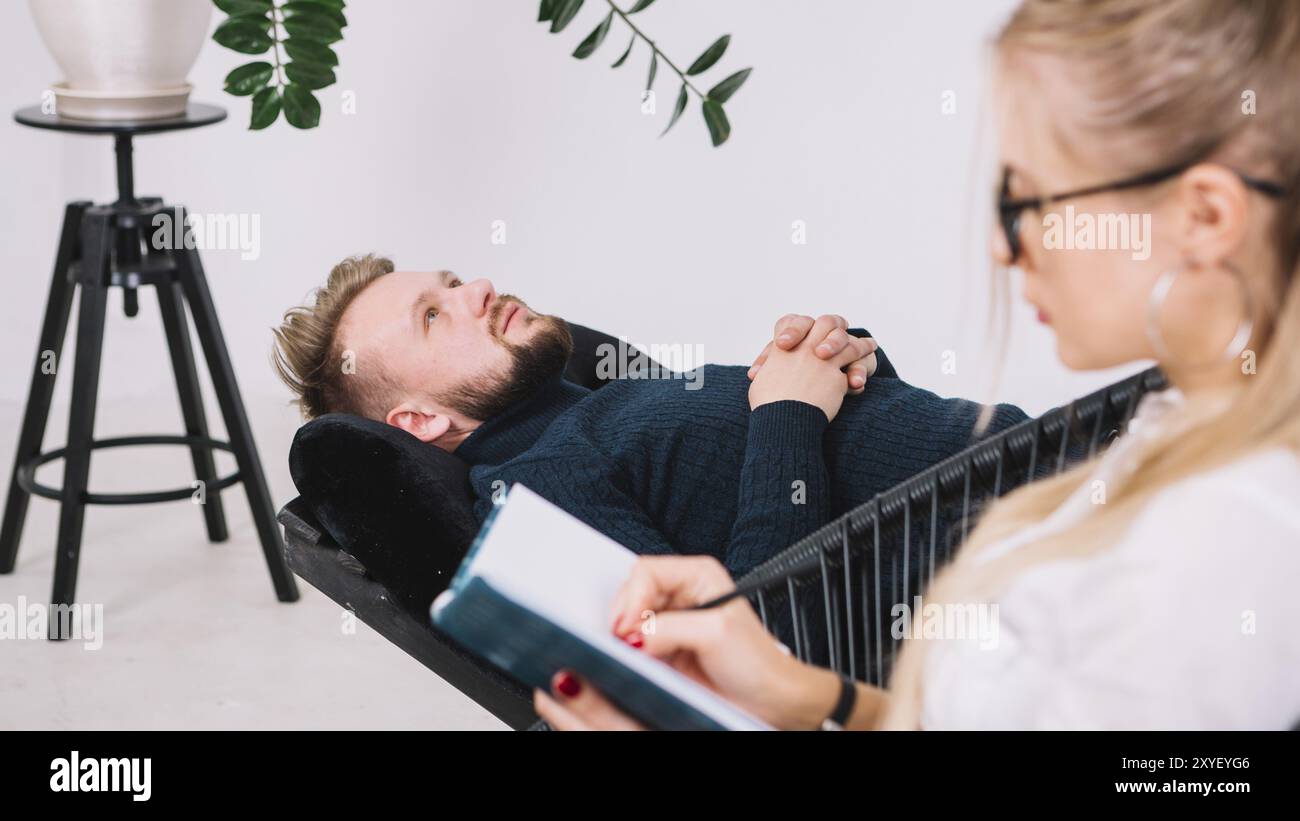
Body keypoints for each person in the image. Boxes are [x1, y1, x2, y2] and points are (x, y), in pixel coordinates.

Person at [533, 0, 1300, 730]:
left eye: (1025, 200)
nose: (1002, 248)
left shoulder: (1232, 533)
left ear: (1204, 217)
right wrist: (804, 697)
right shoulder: (1181, 427)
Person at [272, 258, 1024, 578]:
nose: (480, 288)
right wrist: (791, 411)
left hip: (1063, 467)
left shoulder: (609, 405)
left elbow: (846, 468)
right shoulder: (538, 488)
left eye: (456, 280)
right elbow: (748, 649)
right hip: (1040, 565)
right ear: (421, 420)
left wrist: (845, 366)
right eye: (435, 314)